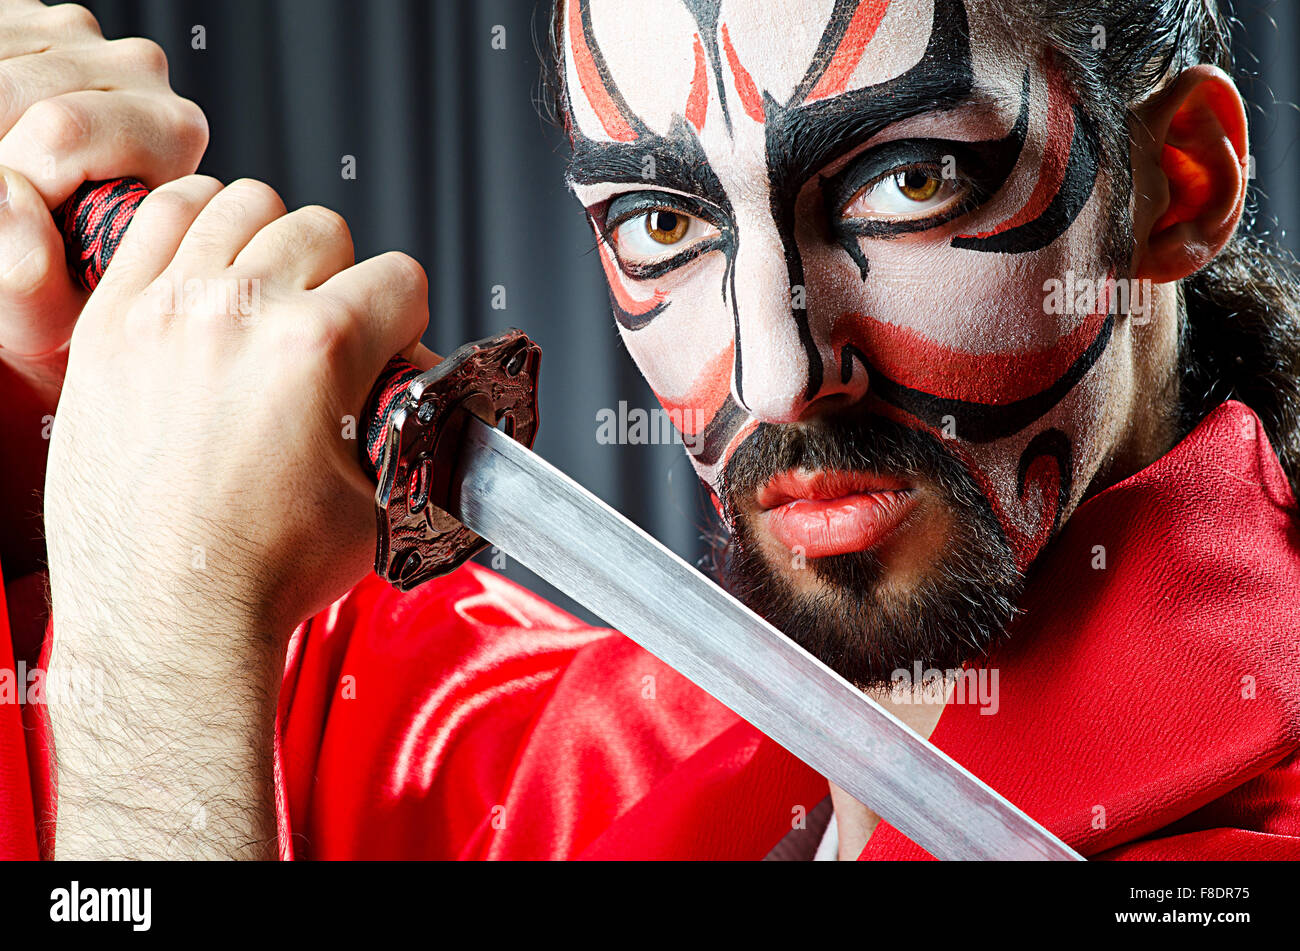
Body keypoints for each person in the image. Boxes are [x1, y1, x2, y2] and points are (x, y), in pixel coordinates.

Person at [4, 0, 1299, 860]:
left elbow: (172, 653)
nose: (783, 380)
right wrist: (57, 369)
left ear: (1177, 187)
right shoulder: (629, 740)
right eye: (664, 223)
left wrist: (158, 654)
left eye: (911, 181)